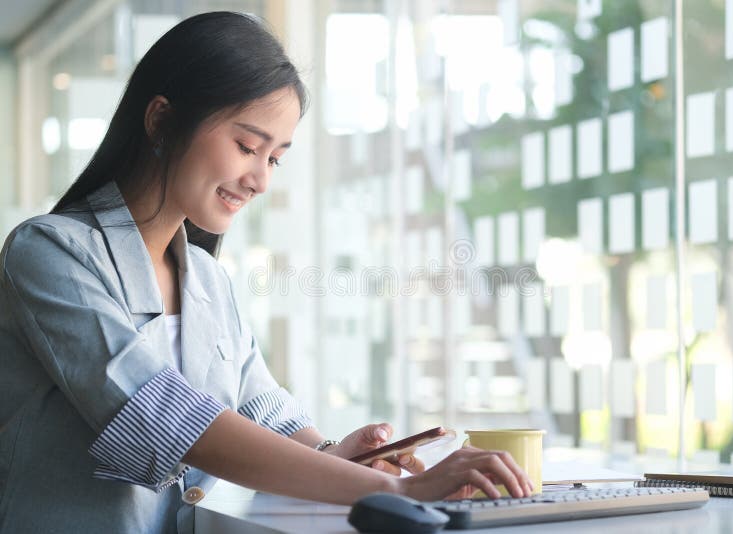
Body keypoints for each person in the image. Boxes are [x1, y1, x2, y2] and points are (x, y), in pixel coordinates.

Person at [0, 11, 532, 533]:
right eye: (247, 146)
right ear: (161, 120)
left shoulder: (206, 279)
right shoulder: (48, 253)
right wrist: (396, 491)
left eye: (275, 158)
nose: (259, 180)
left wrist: (339, 457)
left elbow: (267, 413)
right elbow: (165, 415)